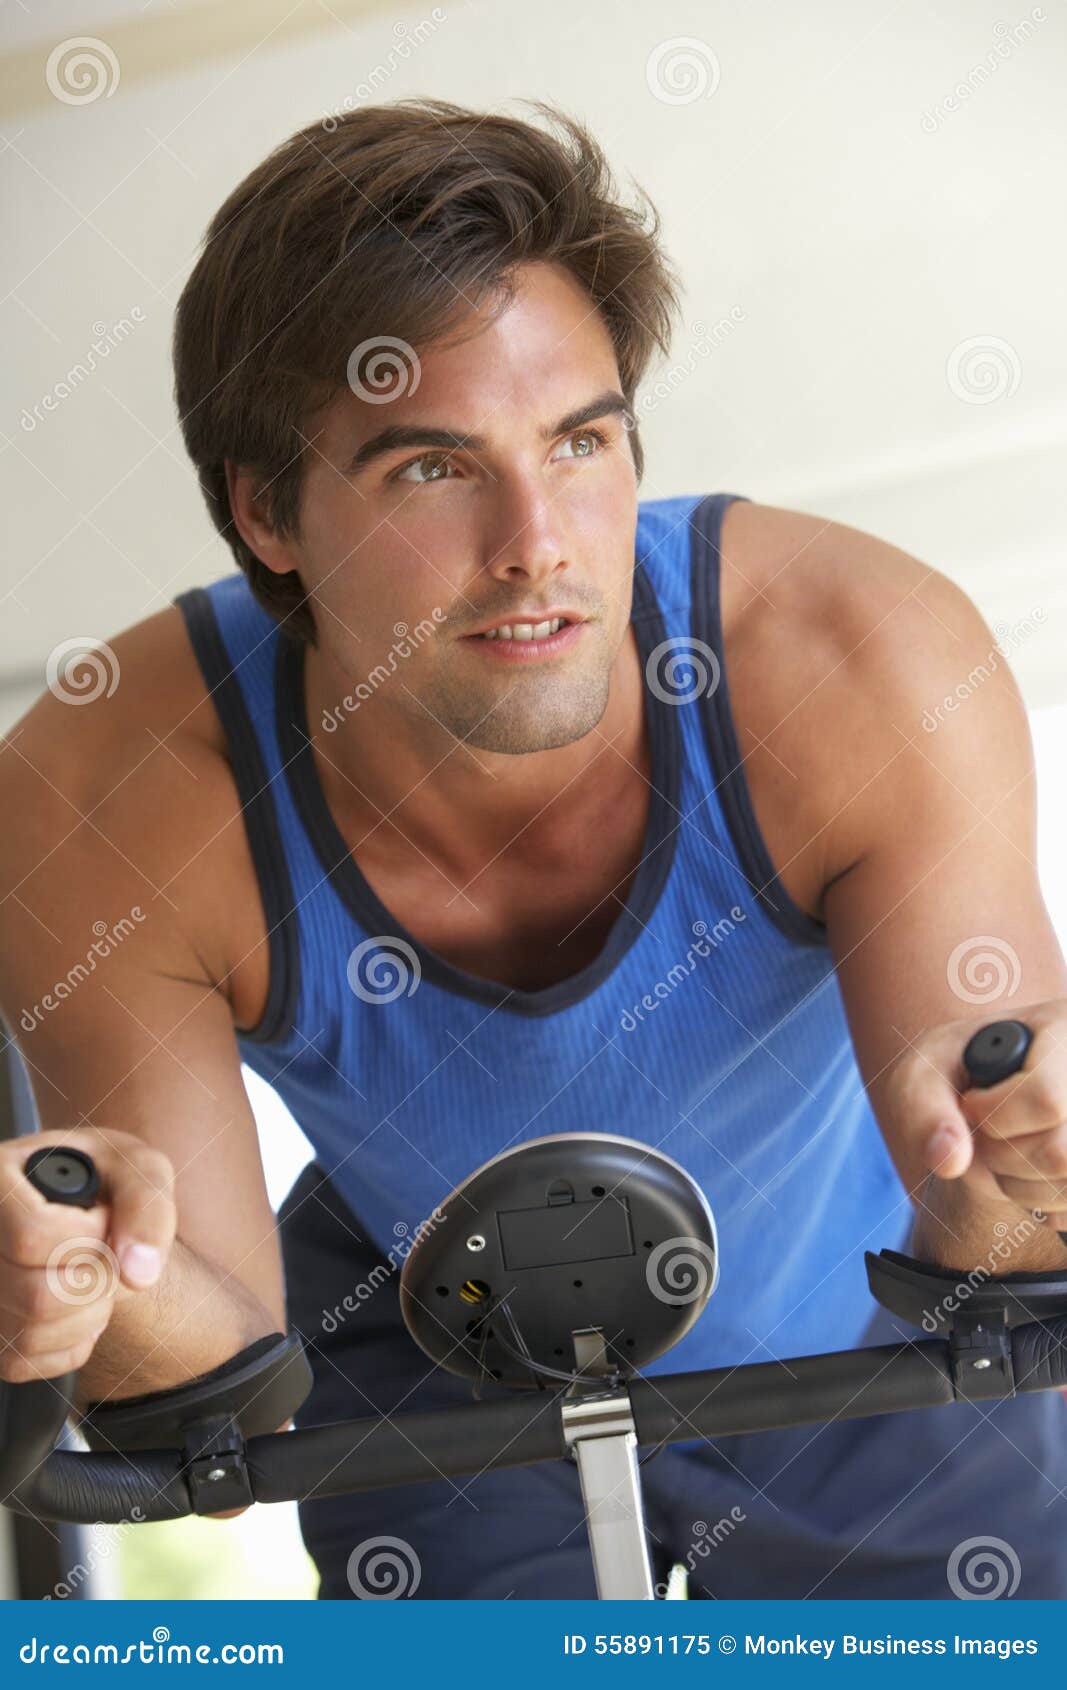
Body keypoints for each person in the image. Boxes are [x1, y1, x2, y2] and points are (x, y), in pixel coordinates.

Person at [2, 98, 1066, 1600]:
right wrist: (88, 1270)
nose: (539, 542)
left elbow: (999, 1212)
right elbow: (210, 1373)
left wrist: (1029, 1166)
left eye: (580, 442)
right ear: (266, 510)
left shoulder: (861, 657)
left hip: (873, 1324)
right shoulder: (103, 787)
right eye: (431, 468)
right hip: (442, 1369)